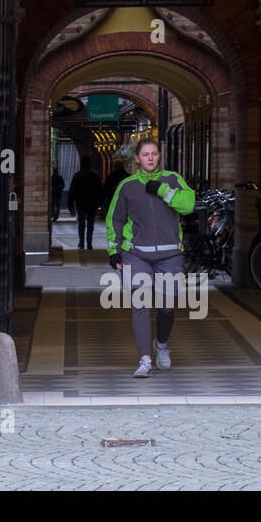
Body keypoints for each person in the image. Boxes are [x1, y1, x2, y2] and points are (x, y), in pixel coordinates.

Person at [105, 138, 195, 377]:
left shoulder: (172, 179)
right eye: (146, 154)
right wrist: (114, 250)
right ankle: (145, 359)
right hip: (136, 254)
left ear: (159, 157)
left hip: (170, 255)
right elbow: (115, 219)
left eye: (154, 154)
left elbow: (188, 205)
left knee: (166, 307)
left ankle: (161, 345)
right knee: (140, 305)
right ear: (137, 159)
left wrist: (164, 191)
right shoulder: (127, 186)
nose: (151, 158)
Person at [67, 157, 104, 249]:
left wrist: (70, 204)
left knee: (81, 222)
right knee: (91, 223)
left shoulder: (77, 175)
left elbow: (72, 191)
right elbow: (100, 190)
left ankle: (81, 241)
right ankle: (89, 242)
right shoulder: (95, 175)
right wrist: (100, 203)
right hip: (92, 203)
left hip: (80, 203)